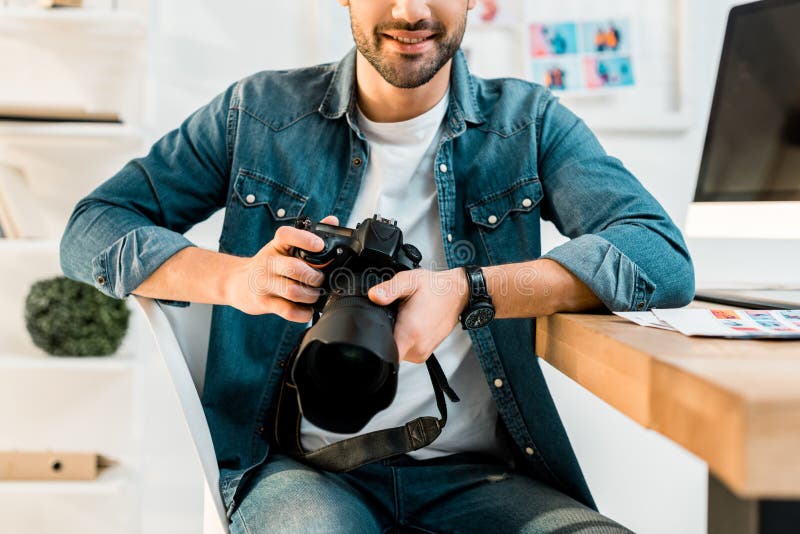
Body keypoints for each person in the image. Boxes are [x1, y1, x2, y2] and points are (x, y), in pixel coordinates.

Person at [60, 0, 694, 532]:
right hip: (298, 471)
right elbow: (93, 227)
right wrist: (237, 279)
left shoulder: (526, 125)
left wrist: (470, 289)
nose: (411, 11)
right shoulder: (259, 115)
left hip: (484, 476)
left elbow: (659, 255)